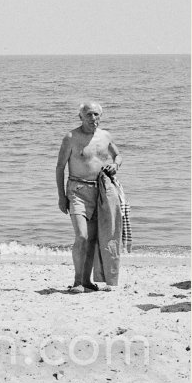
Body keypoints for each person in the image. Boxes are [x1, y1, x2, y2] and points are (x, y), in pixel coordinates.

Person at [55, 101, 123, 292]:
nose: (93, 119)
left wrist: (115, 165)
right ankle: (77, 281)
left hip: (100, 192)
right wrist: (61, 196)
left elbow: (118, 155)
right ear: (81, 117)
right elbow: (60, 167)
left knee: (93, 239)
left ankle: (86, 281)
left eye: (96, 115)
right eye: (89, 115)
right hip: (77, 191)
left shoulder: (105, 136)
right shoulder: (71, 137)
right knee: (82, 236)